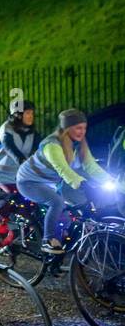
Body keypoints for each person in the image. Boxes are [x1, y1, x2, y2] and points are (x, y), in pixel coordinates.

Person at [16, 107, 108, 254]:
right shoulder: (52, 145)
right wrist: (82, 182)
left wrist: (115, 183)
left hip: (52, 183)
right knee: (56, 202)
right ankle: (48, 240)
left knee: (74, 209)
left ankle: (58, 252)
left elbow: (92, 167)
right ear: (66, 128)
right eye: (78, 128)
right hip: (29, 181)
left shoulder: (79, 144)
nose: (82, 132)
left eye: (84, 128)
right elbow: (63, 169)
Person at [0, 99, 40, 192]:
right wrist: (21, 160)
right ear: (18, 115)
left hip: (16, 174)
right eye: (28, 113)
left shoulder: (32, 132)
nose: (31, 117)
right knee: (14, 196)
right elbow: (9, 146)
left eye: (32, 113)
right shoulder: (7, 129)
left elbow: (41, 148)